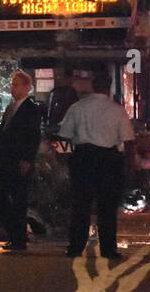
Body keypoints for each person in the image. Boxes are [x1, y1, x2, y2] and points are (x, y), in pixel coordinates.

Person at [57, 71, 135, 259]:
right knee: (107, 207)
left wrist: (66, 159)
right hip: (108, 159)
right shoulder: (117, 110)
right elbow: (129, 141)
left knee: (80, 206)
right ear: (108, 89)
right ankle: (108, 249)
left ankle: (76, 247)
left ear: (93, 87)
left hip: (83, 157)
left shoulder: (78, 108)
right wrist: (128, 166)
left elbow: (63, 136)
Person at [0, 70, 41, 252]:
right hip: (6, 159)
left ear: (27, 87)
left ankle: (18, 237)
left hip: (18, 160)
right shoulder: (11, 108)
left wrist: (27, 158)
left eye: (17, 85)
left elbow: (33, 135)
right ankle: (14, 233)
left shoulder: (30, 109)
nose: (13, 88)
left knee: (18, 199)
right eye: (12, 85)